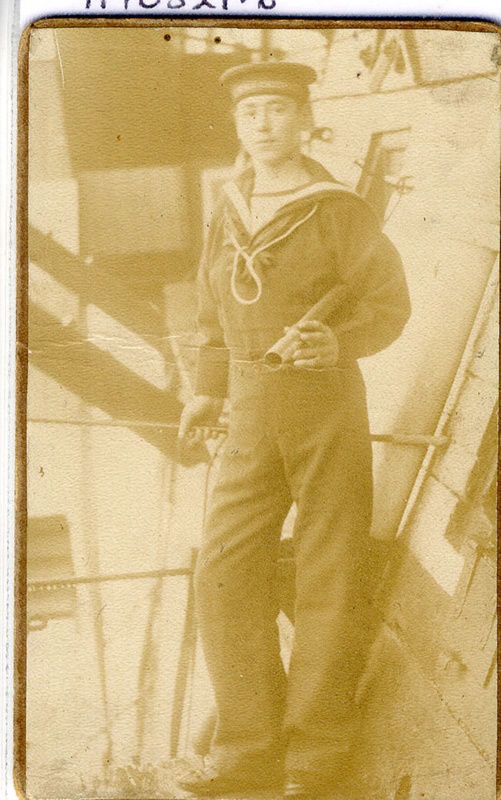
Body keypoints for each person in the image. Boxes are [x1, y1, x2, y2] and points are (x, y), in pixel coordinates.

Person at [176, 60, 411, 800]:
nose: (263, 124)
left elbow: (388, 306)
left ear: (304, 119)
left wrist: (339, 344)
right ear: (237, 126)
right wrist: (205, 392)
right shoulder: (227, 206)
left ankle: (315, 758)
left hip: (323, 408)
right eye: (250, 113)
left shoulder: (336, 209)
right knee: (223, 570)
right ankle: (248, 749)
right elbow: (212, 311)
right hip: (247, 409)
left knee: (328, 574)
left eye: (278, 109)